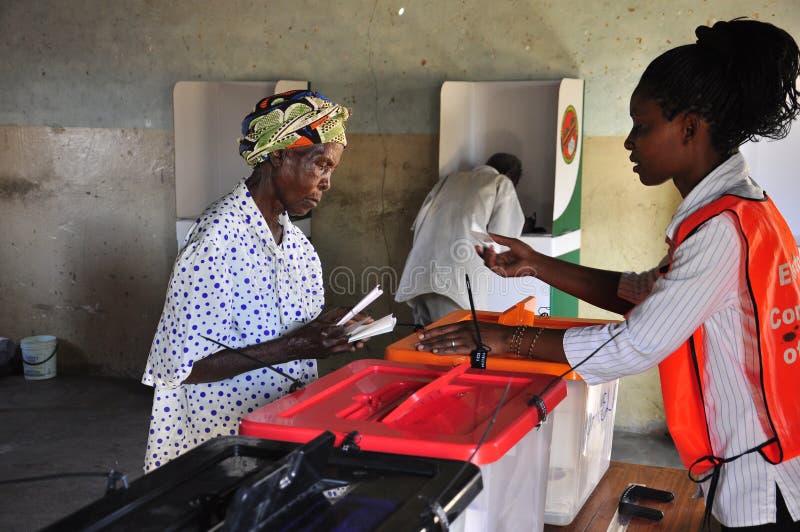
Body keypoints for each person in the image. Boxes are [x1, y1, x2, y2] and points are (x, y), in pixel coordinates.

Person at [416, 19, 800, 530]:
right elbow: (651, 295)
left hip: (763, 485)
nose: (628, 142)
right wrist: (538, 263)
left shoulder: (721, 230)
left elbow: (634, 344)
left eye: (641, 126)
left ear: (689, 127)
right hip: (760, 467)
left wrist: (501, 340)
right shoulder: (740, 211)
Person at [142, 90, 369, 472]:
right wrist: (296, 346)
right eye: (321, 165)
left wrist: (333, 327)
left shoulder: (295, 245)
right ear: (278, 154)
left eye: (331, 170)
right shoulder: (218, 238)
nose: (327, 182)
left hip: (276, 426)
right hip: (221, 439)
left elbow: (296, 330)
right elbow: (182, 368)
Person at [395, 153, 525, 326]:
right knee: (453, 345)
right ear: (511, 176)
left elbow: (418, 223)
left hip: (420, 275)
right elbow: (503, 241)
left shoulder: (449, 180)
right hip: (455, 284)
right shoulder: (502, 183)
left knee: (423, 341)